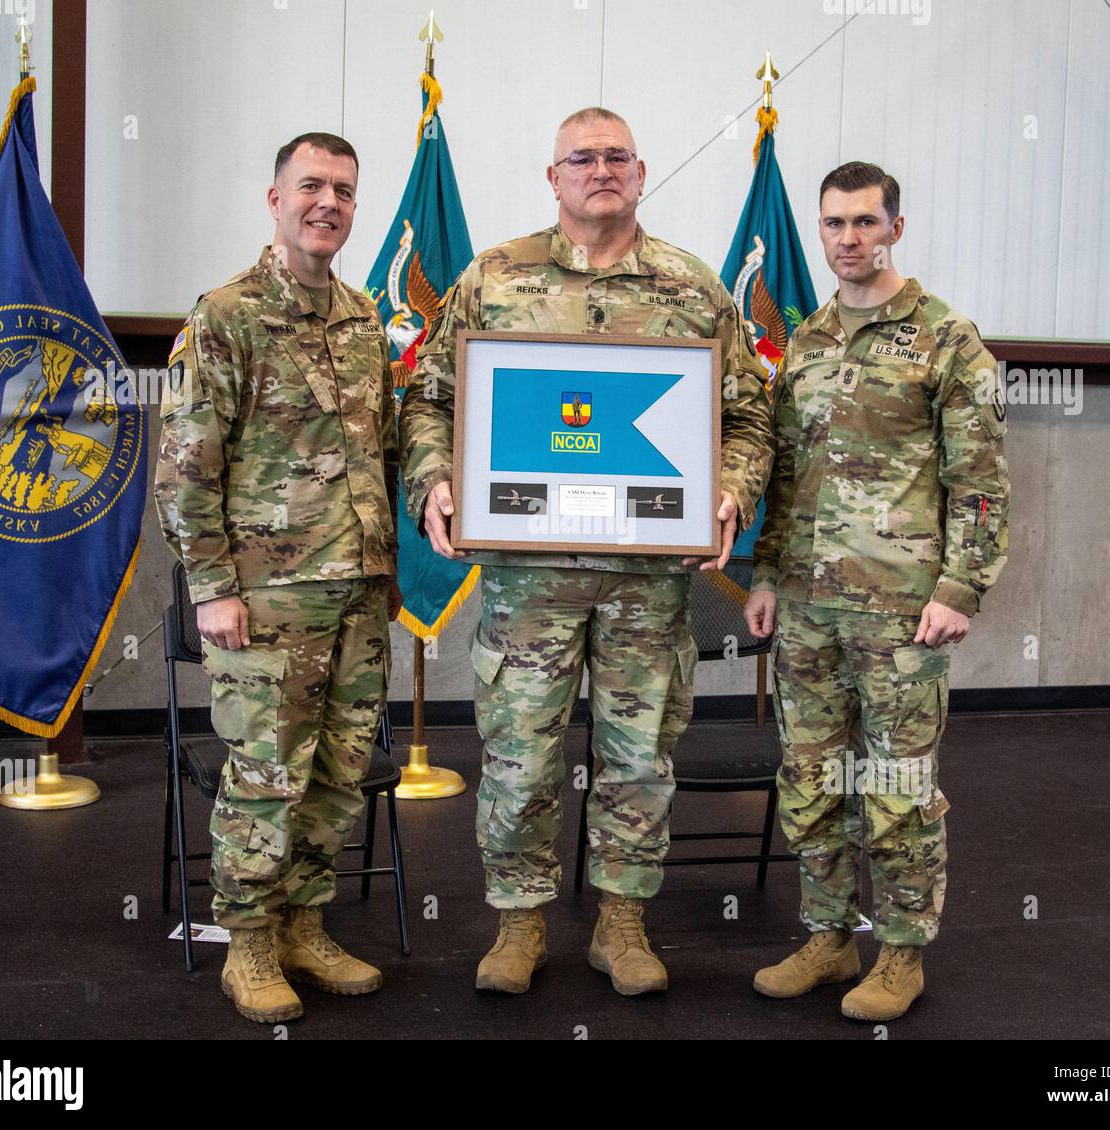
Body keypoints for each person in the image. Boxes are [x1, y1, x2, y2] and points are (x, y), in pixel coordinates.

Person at [399, 107, 773, 996]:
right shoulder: (493, 279)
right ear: (553, 176)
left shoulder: (693, 289)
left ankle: (622, 923)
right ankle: (518, 923)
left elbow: (750, 414)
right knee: (520, 755)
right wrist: (433, 480)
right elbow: (428, 401)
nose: (600, 170)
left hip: (650, 580)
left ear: (640, 174)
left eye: (616, 157)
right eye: (582, 158)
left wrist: (729, 489)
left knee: (639, 757)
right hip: (529, 579)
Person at [745, 161, 1009, 1021]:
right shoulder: (808, 342)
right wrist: (767, 573)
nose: (848, 238)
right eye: (834, 223)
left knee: (897, 787)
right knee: (811, 779)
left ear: (895, 227)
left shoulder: (947, 340)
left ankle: (900, 954)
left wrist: (960, 588)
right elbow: (786, 477)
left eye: (865, 222)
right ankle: (828, 938)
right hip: (808, 609)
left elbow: (981, 483)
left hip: (903, 615)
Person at [155, 132, 402, 1024]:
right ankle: (250, 942)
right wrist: (212, 586)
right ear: (275, 199)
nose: (327, 202)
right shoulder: (225, 315)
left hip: (360, 591)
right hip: (266, 598)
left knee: (338, 772)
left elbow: (381, 450)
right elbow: (185, 466)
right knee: (266, 773)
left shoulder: (364, 319)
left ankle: (304, 924)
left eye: (343, 189)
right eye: (310, 186)